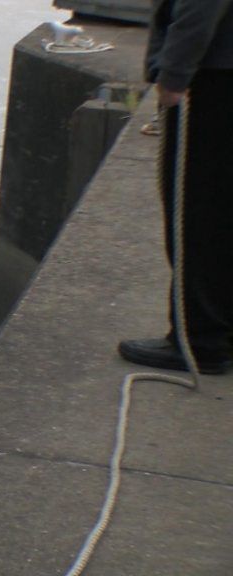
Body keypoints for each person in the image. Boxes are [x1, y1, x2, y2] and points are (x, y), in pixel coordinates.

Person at [118, 0, 233, 374]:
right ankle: (218, 333)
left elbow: (201, 8)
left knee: (199, 212)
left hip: (216, 81)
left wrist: (174, 75)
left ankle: (200, 341)